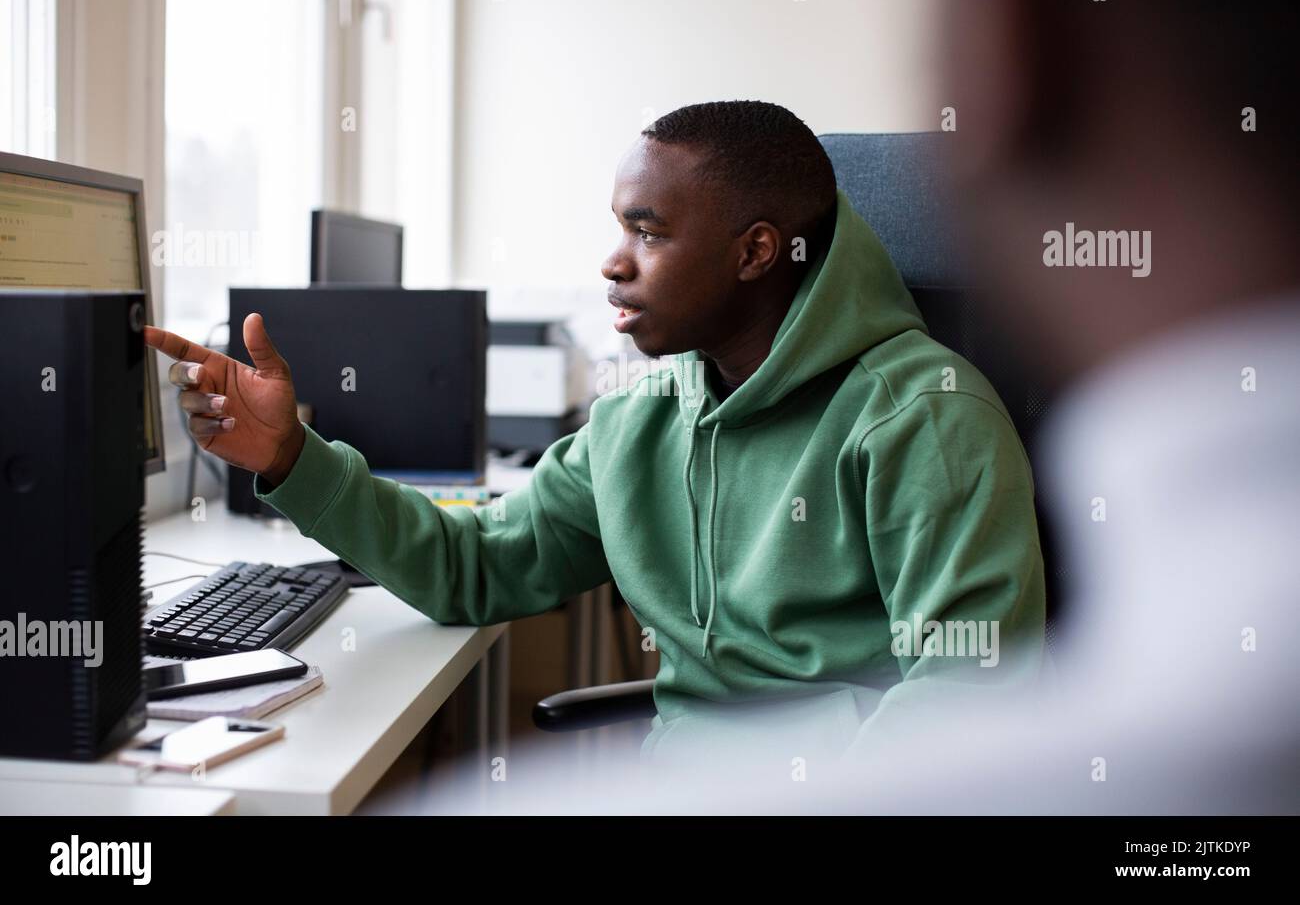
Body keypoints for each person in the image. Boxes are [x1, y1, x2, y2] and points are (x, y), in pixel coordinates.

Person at [145, 100, 1046, 769]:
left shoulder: (923, 417)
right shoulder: (640, 420)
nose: (613, 262)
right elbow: (478, 566)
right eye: (620, 228)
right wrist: (293, 460)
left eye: (647, 233)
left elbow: (963, 700)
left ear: (757, 252)